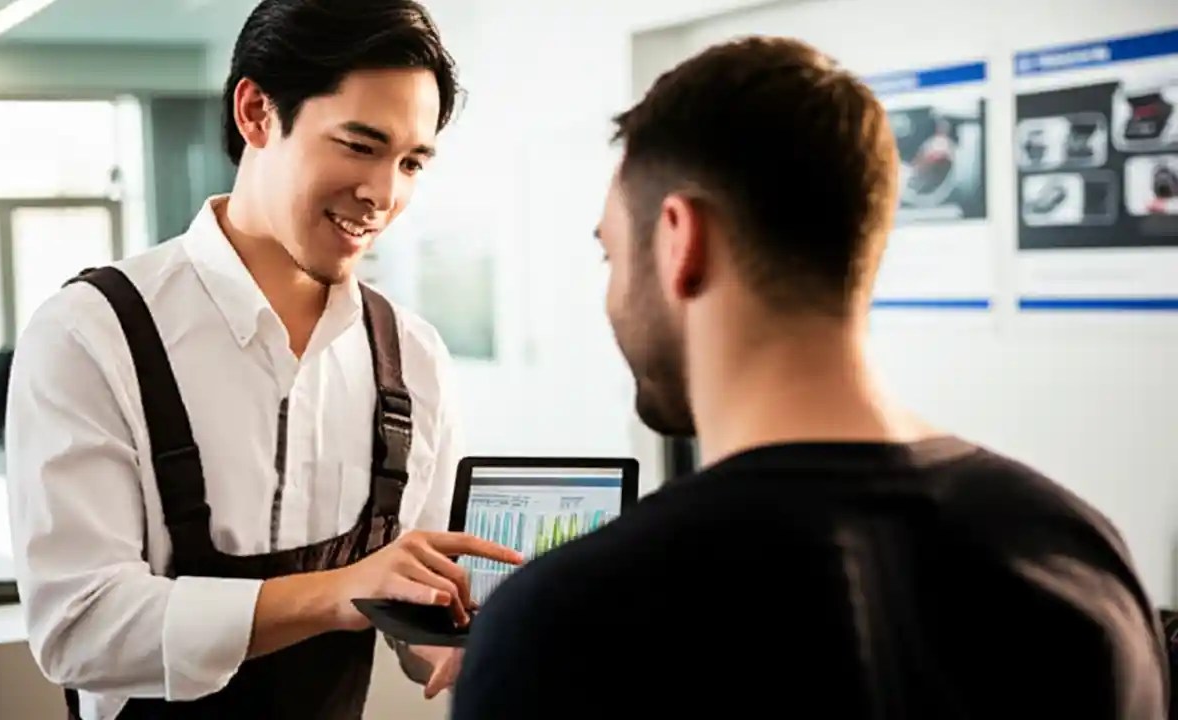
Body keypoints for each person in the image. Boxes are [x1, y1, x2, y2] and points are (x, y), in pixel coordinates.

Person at [450, 36, 1170, 719]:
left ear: (679, 238)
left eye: (611, 255)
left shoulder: (568, 624)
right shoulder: (1081, 554)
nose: (610, 292)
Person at [4, 1, 522, 718]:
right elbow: (78, 628)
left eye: (411, 161)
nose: (385, 194)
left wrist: (468, 644)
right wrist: (337, 593)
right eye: (358, 145)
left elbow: (414, 604)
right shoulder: (91, 334)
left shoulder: (414, 357)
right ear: (255, 112)